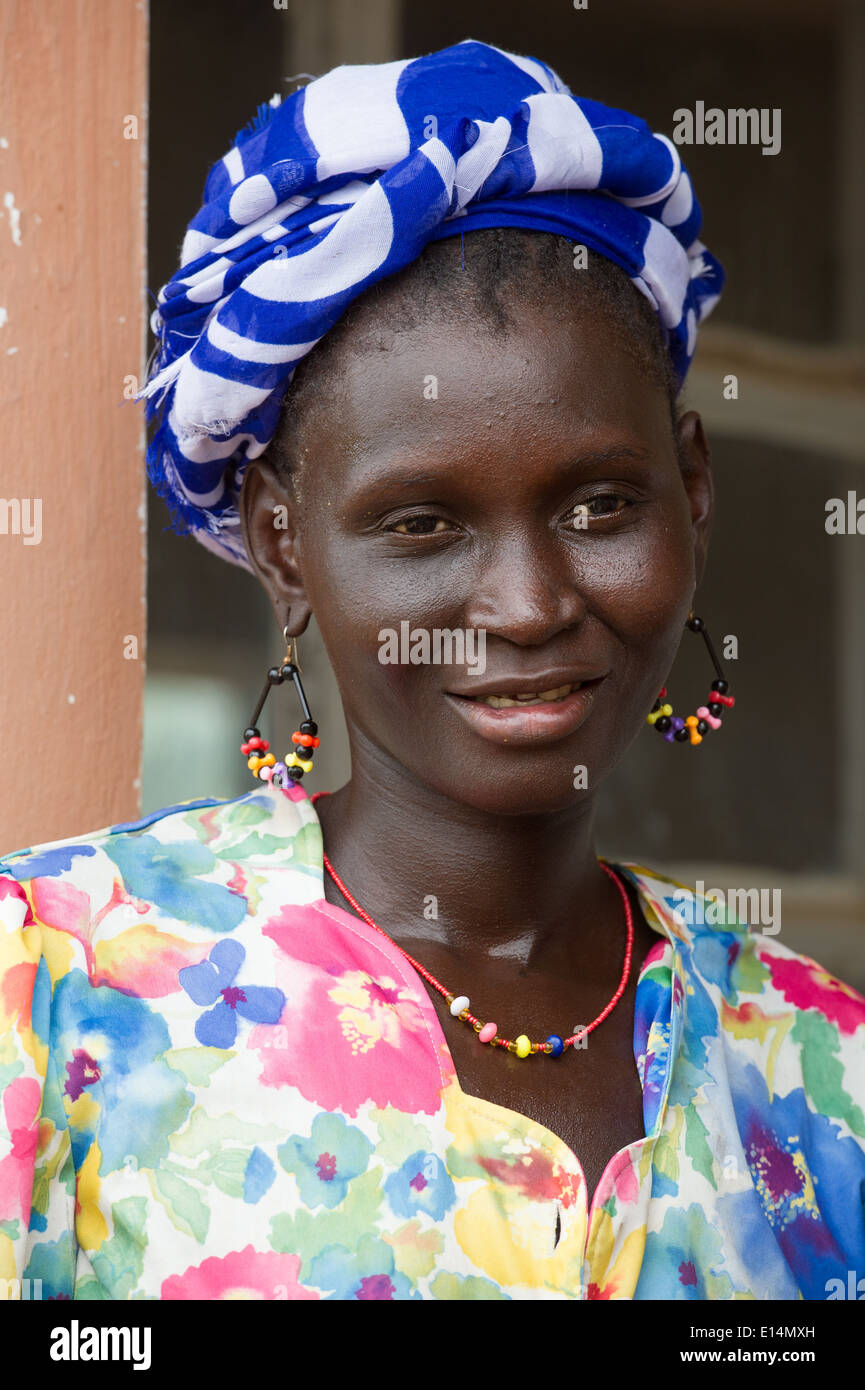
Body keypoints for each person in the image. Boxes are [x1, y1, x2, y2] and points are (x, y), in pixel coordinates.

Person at [1, 40, 863, 1303]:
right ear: (283, 542)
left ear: (690, 491)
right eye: (421, 523)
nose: (526, 606)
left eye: (599, 505)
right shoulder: (53, 992)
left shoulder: (815, 1063)